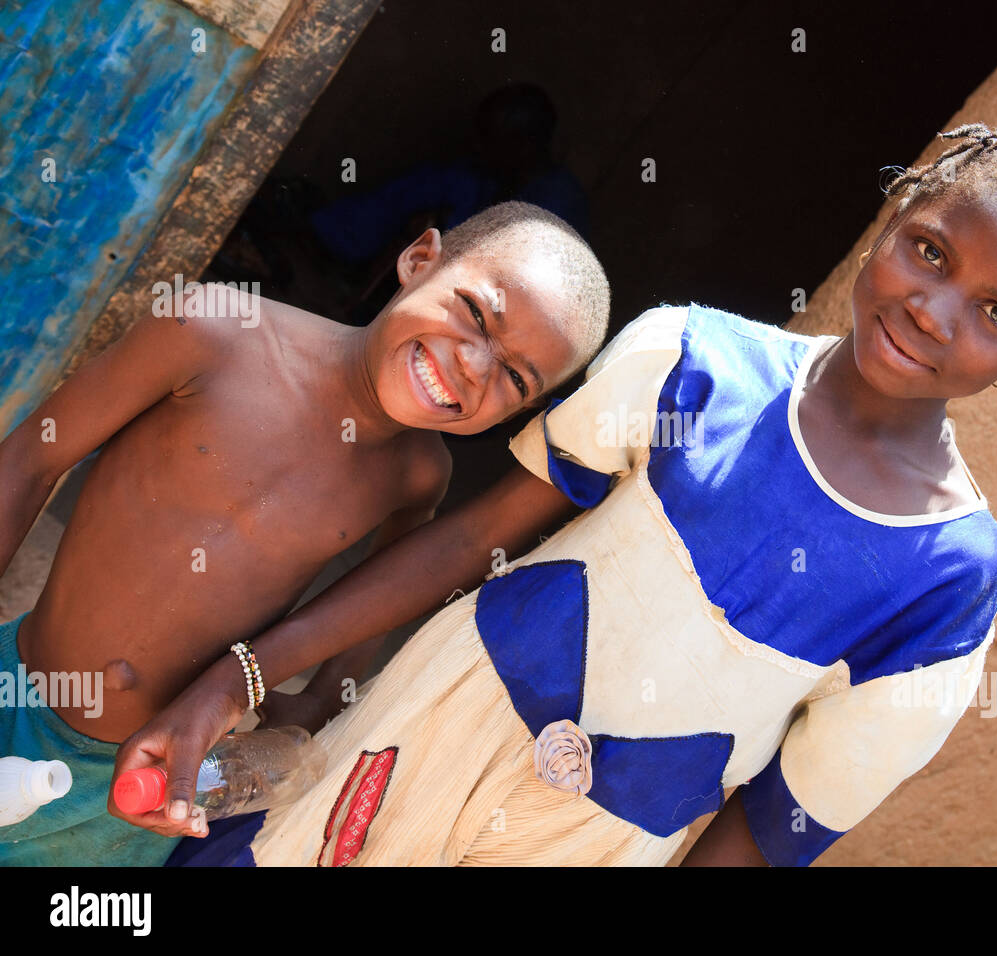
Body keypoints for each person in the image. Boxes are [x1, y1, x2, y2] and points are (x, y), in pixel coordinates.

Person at [115, 124, 997, 866]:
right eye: (930, 250)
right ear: (892, 219)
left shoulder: (948, 576)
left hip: (581, 844)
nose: (932, 305)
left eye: (995, 311)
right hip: (420, 724)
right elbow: (474, 537)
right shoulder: (690, 360)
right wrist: (236, 680)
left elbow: (781, 821)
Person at [0, 201, 610, 865]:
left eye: (516, 378)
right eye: (474, 314)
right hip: (18, 686)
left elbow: (389, 586)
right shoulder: (212, 330)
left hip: (143, 788)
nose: (474, 365)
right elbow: (33, 460)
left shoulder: (415, 474)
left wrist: (323, 697)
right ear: (419, 259)